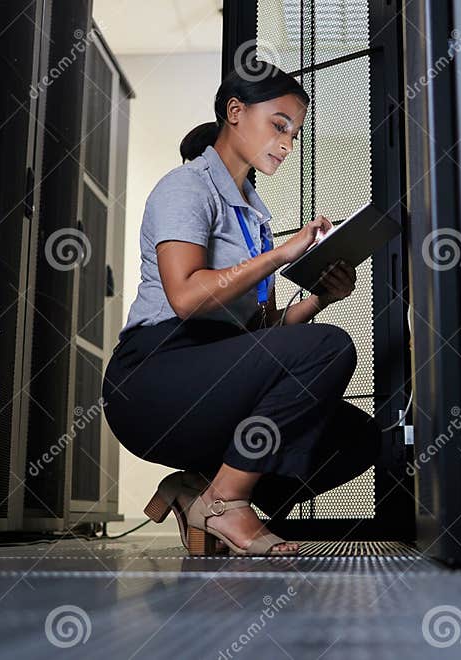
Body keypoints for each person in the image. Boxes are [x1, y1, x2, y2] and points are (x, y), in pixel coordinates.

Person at [101, 61, 383, 556]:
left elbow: (266, 333)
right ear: (235, 111)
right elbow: (187, 297)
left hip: (216, 376)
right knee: (330, 347)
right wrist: (278, 255)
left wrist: (320, 297)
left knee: (358, 436)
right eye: (279, 125)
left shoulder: (255, 215)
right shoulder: (186, 186)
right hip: (153, 376)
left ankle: (202, 487)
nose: (287, 144)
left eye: (294, 134)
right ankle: (225, 502)